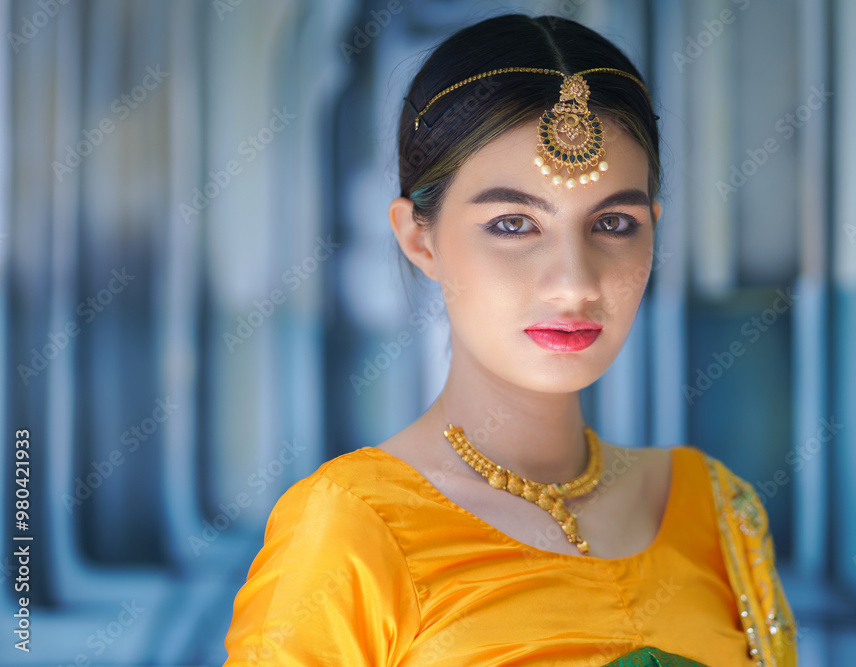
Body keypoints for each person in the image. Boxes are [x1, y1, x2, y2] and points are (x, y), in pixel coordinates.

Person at [223, 12, 796, 667]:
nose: (573, 283)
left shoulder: (717, 510)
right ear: (420, 236)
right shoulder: (350, 528)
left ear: (653, 230)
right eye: (514, 223)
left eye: (612, 222)